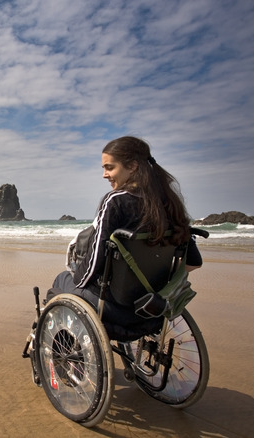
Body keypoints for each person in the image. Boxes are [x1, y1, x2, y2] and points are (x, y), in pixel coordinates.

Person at [48, 136, 202, 341]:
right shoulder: (169, 203)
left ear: (132, 166)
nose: (104, 175)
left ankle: (61, 347)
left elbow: (93, 266)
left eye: (109, 168)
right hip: (151, 309)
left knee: (63, 279)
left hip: (113, 311)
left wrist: (77, 280)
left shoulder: (116, 201)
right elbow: (193, 262)